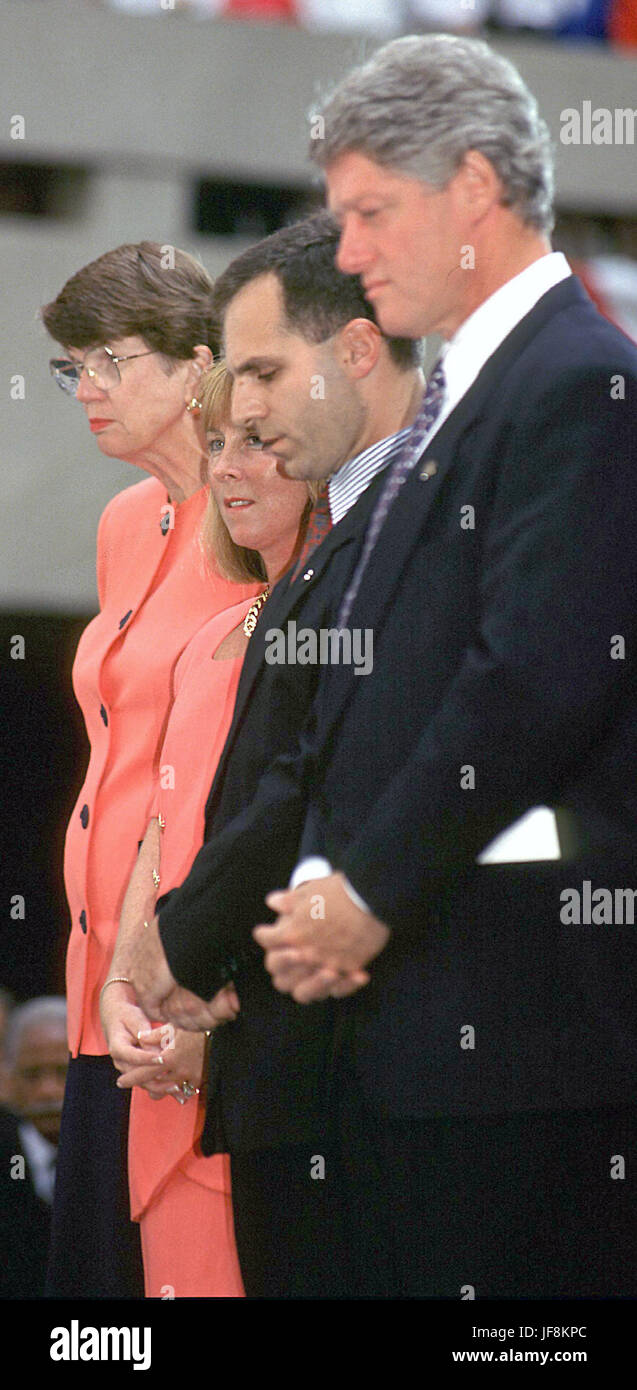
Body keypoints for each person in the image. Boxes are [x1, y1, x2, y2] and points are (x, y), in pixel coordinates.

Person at [132, 36, 637, 1299]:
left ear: (472, 188)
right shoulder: (464, 408)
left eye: (369, 211)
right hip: (404, 1056)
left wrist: (359, 891)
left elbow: (533, 679)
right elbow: (359, 718)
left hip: (513, 1053)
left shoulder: (581, 383)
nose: (347, 251)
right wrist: (258, 920)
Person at [128, 210, 425, 1297]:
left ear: (352, 349)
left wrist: (181, 949)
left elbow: (322, 779)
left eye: (261, 373)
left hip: (365, 1074)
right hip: (282, 1071)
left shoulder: (416, 521)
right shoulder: (335, 544)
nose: (239, 416)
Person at [41, 242, 257, 1299]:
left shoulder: (263, 513)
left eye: (109, 360)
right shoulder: (124, 523)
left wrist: (200, 990)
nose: (87, 389)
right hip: (95, 993)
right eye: (72, 366)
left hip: (185, 989)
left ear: (195, 364)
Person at [100, 361, 311, 1297]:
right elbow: (159, 825)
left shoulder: (328, 627)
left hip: (243, 1045)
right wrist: (121, 986)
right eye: (216, 442)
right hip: (159, 1045)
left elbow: (295, 831)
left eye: (257, 442)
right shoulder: (207, 634)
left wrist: (216, 1012)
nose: (227, 467)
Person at [0, 998, 67, 1297]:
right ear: (9, 1078)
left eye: (62, 1073)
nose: (47, 1091)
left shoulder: (118, 1158)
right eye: (32, 1075)